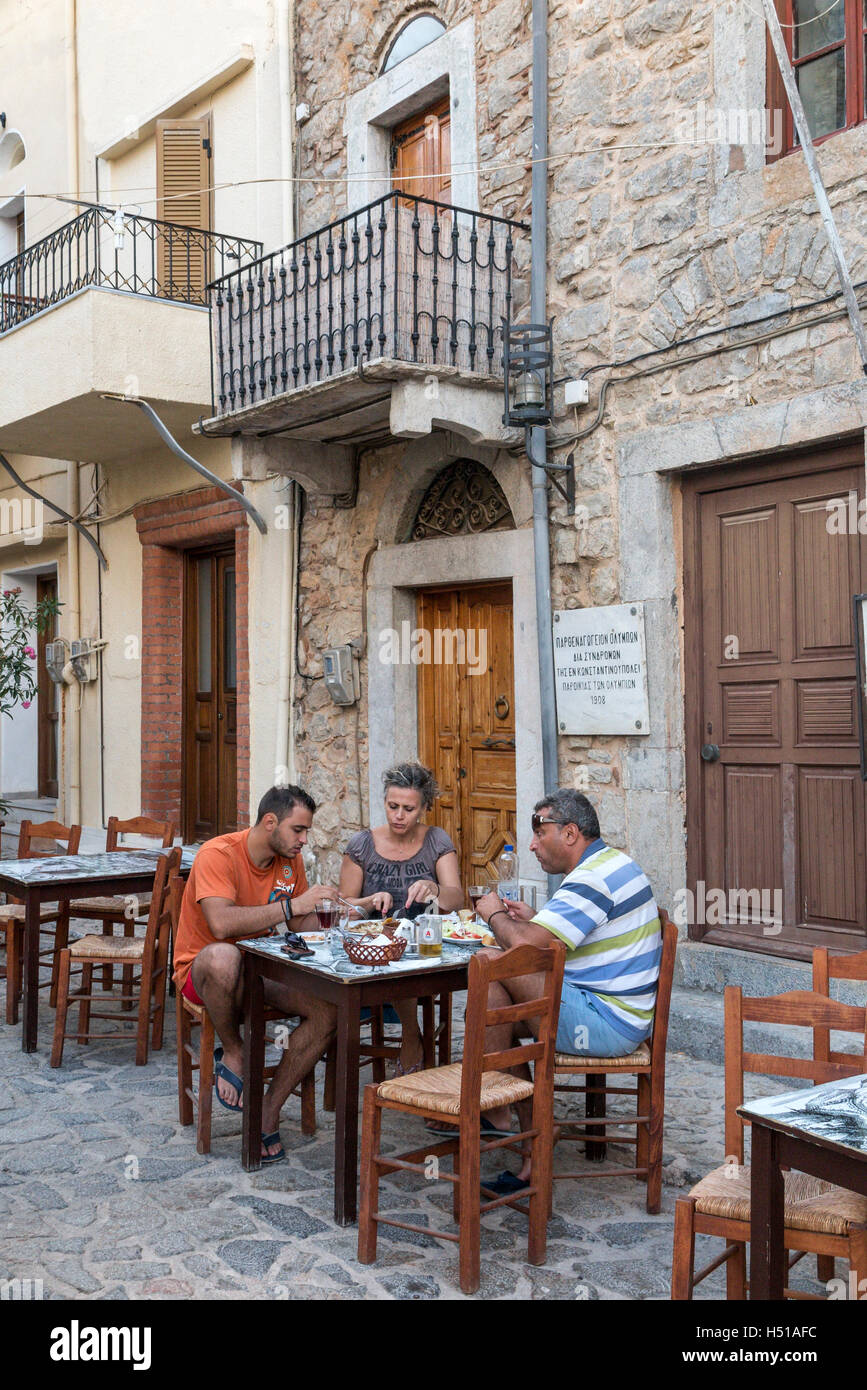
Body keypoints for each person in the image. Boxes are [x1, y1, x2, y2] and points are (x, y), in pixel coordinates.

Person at [472, 789, 662, 1194]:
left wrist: (494, 915)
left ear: (571, 833)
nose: (532, 844)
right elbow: (565, 936)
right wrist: (536, 920)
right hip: (612, 1010)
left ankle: (504, 1115)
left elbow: (525, 948)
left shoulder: (591, 878)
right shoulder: (611, 864)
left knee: (492, 965)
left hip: (608, 1023)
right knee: (496, 998)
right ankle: (527, 1131)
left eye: (540, 833)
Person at [172, 784, 340, 1163]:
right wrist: (292, 906)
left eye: (307, 831)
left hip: (260, 969)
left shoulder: (288, 859)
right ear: (270, 822)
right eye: (298, 830)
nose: (304, 839)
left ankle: (267, 1110)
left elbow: (297, 919)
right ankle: (234, 1050)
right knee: (222, 958)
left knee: (329, 1008)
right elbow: (220, 925)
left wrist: (343, 911)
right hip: (204, 974)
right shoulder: (219, 853)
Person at [339, 761, 463, 1073]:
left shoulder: (436, 841)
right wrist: (368, 900)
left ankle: (414, 1036)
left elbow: (457, 899)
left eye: (408, 808)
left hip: (425, 944)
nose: (399, 815)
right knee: (394, 960)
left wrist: (434, 888)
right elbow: (344, 907)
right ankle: (412, 1033)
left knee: (403, 961)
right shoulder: (362, 845)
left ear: (423, 808)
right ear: (384, 802)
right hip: (373, 945)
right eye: (393, 806)